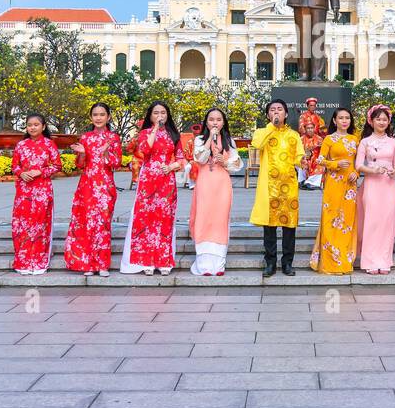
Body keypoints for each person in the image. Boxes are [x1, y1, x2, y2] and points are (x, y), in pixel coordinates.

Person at [121, 101, 186, 276]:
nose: (160, 116)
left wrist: (172, 167)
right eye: (156, 113)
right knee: (146, 218)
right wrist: (155, 130)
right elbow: (145, 149)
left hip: (167, 180)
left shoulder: (174, 135)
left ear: (168, 115)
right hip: (148, 178)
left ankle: (163, 260)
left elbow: (181, 159)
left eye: (163, 113)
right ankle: (146, 260)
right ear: (150, 116)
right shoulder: (144, 133)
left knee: (164, 217)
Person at [64, 102, 123, 276]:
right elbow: (81, 165)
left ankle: (102, 264)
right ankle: (87, 264)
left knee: (103, 223)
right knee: (86, 223)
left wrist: (106, 153)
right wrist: (82, 153)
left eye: (102, 114)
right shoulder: (86, 138)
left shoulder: (113, 138)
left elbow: (117, 164)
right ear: (91, 117)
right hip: (87, 185)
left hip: (105, 186)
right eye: (95, 115)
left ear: (108, 117)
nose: (98, 118)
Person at [250, 99, 303, 276]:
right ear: (268, 114)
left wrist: (304, 161)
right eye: (272, 110)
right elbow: (257, 145)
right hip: (268, 186)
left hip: (288, 185)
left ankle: (287, 263)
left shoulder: (294, 135)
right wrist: (271, 127)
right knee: (269, 226)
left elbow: (299, 157)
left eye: (280, 109)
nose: (276, 112)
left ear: (286, 114)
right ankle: (270, 263)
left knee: (289, 227)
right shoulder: (262, 132)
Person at [189, 108, 242, 276]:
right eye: (211, 119)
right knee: (204, 218)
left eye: (218, 120)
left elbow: (237, 164)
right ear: (206, 122)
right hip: (205, 183)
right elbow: (200, 159)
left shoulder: (228, 140)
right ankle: (203, 264)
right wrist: (208, 141)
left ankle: (218, 264)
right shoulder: (199, 140)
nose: (215, 123)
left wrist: (224, 162)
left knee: (219, 220)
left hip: (221, 184)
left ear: (223, 122)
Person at [10, 113, 61, 275]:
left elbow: (57, 166)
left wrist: (40, 171)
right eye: (29, 125)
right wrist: (21, 173)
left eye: (36, 124)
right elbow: (14, 165)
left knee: (40, 224)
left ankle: (39, 261)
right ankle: (23, 261)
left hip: (42, 189)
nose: (32, 127)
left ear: (43, 127)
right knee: (22, 224)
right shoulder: (21, 145)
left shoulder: (49, 144)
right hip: (24, 190)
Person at [310, 107, 360, 274]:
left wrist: (357, 173)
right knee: (331, 220)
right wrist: (335, 164)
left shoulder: (355, 139)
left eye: (347, 118)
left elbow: (360, 161)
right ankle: (330, 263)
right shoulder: (329, 139)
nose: (345, 121)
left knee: (347, 222)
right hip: (333, 184)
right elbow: (320, 160)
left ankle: (345, 261)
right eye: (341, 118)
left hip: (350, 186)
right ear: (334, 121)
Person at [356, 104, 395, 274]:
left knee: (387, 223)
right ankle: (369, 261)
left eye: (385, 119)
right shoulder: (365, 142)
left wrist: (393, 171)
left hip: (388, 186)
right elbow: (358, 165)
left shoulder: (393, 142)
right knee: (372, 222)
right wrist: (373, 170)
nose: (382, 122)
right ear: (371, 121)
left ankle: (384, 261)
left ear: (389, 122)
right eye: (378, 119)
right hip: (371, 185)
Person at [299, 119, 324, 189]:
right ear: (305, 129)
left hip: (315, 160)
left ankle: (311, 183)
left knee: (321, 165)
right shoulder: (301, 139)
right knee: (301, 162)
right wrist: (304, 157)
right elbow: (298, 153)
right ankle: (302, 181)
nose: (310, 130)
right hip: (304, 160)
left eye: (311, 128)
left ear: (314, 128)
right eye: (308, 128)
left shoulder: (319, 139)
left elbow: (323, 153)